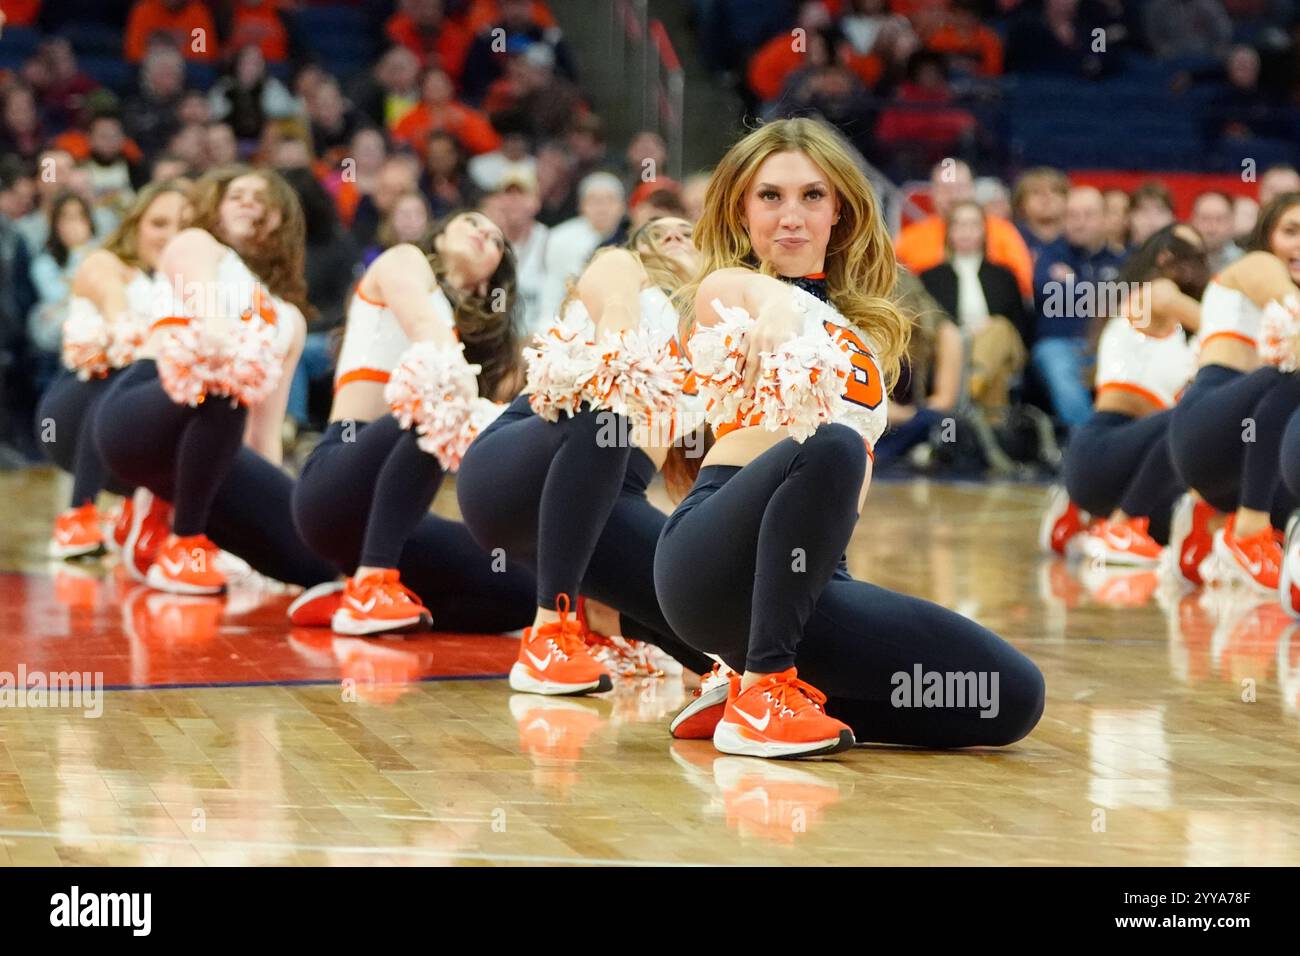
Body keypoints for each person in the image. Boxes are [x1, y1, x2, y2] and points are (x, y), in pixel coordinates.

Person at [653, 118, 1044, 759]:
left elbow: (837, 496)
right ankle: (761, 694)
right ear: (741, 210)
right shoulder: (724, 292)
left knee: (1007, 697)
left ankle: (752, 689)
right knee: (830, 440)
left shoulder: (859, 329)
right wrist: (776, 306)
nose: (791, 216)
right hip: (715, 566)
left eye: (812, 196)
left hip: (809, 581)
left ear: (839, 210)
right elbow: (751, 293)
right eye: (769, 196)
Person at [457, 214, 714, 693]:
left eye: (687, 232)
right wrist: (621, 348)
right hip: (522, 462)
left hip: (609, 503)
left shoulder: (720, 334)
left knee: (714, 622)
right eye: (658, 234)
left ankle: (622, 628)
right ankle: (547, 634)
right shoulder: (626, 270)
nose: (675, 237)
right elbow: (611, 284)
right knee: (609, 411)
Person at [289, 210, 536, 636]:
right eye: (472, 222)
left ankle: (347, 595)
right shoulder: (404, 260)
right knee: (437, 396)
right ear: (438, 237)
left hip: (397, 516)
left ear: (489, 279)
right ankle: (371, 583)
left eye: (496, 239)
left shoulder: (464, 336)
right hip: (335, 487)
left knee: (523, 592)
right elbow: (423, 326)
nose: (484, 233)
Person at [94, 165, 337, 595]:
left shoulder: (290, 320)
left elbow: (264, 433)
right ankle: (183, 543)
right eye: (237, 194)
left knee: (315, 562)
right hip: (142, 409)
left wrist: (276, 500)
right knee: (224, 373)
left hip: (216, 439)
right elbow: (204, 298)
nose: (247, 202)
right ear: (216, 208)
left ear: (283, 219)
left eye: (261, 198)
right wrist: (222, 335)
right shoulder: (198, 244)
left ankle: (166, 512)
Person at [35, 181, 189, 559]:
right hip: (73, 410)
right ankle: (78, 515)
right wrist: (125, 325)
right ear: (134, 224)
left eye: (184, 225)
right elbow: (113, 304)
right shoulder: (105, 262)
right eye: (159, 223)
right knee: (130, 368)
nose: (171, 235)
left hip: (133, 425)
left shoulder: (187, 284)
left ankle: (151, 519)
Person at [1042, 225, 1206, 564]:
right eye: (1194, 256)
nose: (1202, 266)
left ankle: (1086, 519)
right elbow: (1221, 326)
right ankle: (1121, 526)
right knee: (1189, 417)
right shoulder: (1157, 293)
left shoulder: (1173, 330)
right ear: (1166, 257)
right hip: (1106, 448)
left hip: (1137, 463)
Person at [1166, 193, 1300, 592]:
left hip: (1243, 460)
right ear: (1267, 236)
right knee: (1290, 375)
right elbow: (1292, 311)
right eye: (1291, 232)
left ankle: (1210, 521)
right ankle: (1248, 531)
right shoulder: (1259, 264)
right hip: (1206, 425)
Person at [920, 199, 1030, 417]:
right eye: (959, 225)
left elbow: (1021, 325)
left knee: (999, 327)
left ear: (984, 230)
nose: (966, 232)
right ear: (948, 231)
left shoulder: (1004, 275)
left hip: (1005, 345)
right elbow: (927, 324)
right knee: (996, 373)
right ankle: (991, 437)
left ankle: (969, 384)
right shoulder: (930, 277)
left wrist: (988, 332)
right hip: (954, 350)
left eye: (973, 225)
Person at [1030, 185, 1126, 429]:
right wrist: (1097, 291)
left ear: (1105, 219)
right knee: (1061, 370)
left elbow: (1123, 302)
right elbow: (1048, 292)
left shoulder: (1122, 260)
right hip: (1059, 342)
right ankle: (1090, 441)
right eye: (1072, 215)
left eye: (1088, 215)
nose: (1079, 223)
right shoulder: (1048, 254)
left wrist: (1072, 283)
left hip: (1108, 344)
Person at [894, 159, 1033, 297]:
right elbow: (895, 288)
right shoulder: (909, 239)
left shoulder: (1003, 232)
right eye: (945, 189)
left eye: (960, 188)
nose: (953, 196)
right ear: (932, 194)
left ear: (973, 190)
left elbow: (1023, 284)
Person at [28, 191, 98, 395]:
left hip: (96, 346)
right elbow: (57, 297)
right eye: (67, 218)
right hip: (58, 350)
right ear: (55, 224)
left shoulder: (100, 253)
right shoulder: (44, 262)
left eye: (80, 216)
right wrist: (78, 254)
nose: (75, 225)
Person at [1191, 190, 1244, 275]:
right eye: (1205, 219)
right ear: (1192, 220)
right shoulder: (1181, 261)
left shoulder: (1242, 262)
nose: (1212, 228)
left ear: (1232, 222)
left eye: (1219, 219)